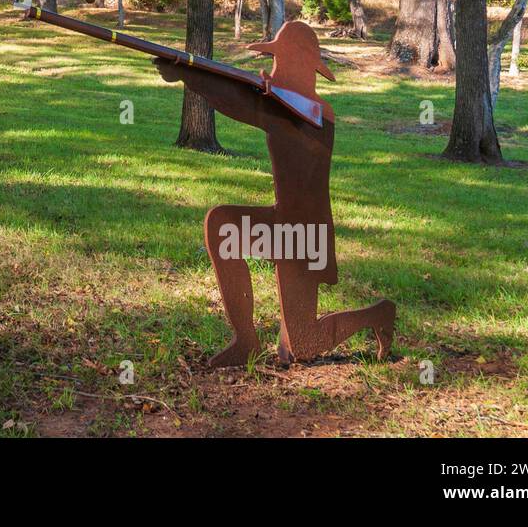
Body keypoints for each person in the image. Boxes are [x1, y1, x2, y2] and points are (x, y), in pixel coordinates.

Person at [154, 21, 395, 367]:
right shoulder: (285, 104)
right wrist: (191, 75)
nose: (276, 68)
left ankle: (378, 315)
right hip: (282, 222)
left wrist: (191, 78)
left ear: (303, 65)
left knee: (303, 345)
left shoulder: (315, 112)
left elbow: (246, 106)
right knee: (223, 225)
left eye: (284, 60)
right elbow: (247, 102)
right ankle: (246, 341)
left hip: (305, 233)